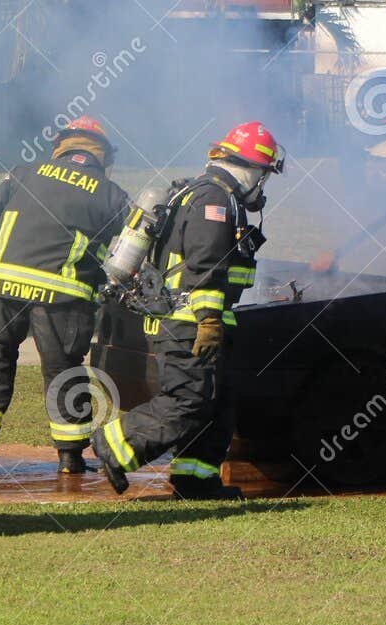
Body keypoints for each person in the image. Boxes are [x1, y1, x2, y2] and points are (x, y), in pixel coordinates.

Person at [93, 122, 281, 499]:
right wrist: (209, 320)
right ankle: (114, 445)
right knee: (188, 400)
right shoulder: (213, 200)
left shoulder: (204, 192)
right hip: (190, 323)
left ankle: (196, 479)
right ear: (251, 168)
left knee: (218, 405)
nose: (262, 185)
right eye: (264, 174)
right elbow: (206, 263)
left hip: (199, 321)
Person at [0, 115, 132, 474]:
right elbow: (130, 254)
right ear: (103, 158)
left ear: (60, 148)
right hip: (62, 298)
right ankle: (70, 458)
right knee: (63, 373)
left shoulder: (24, 174)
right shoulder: (113, 195)